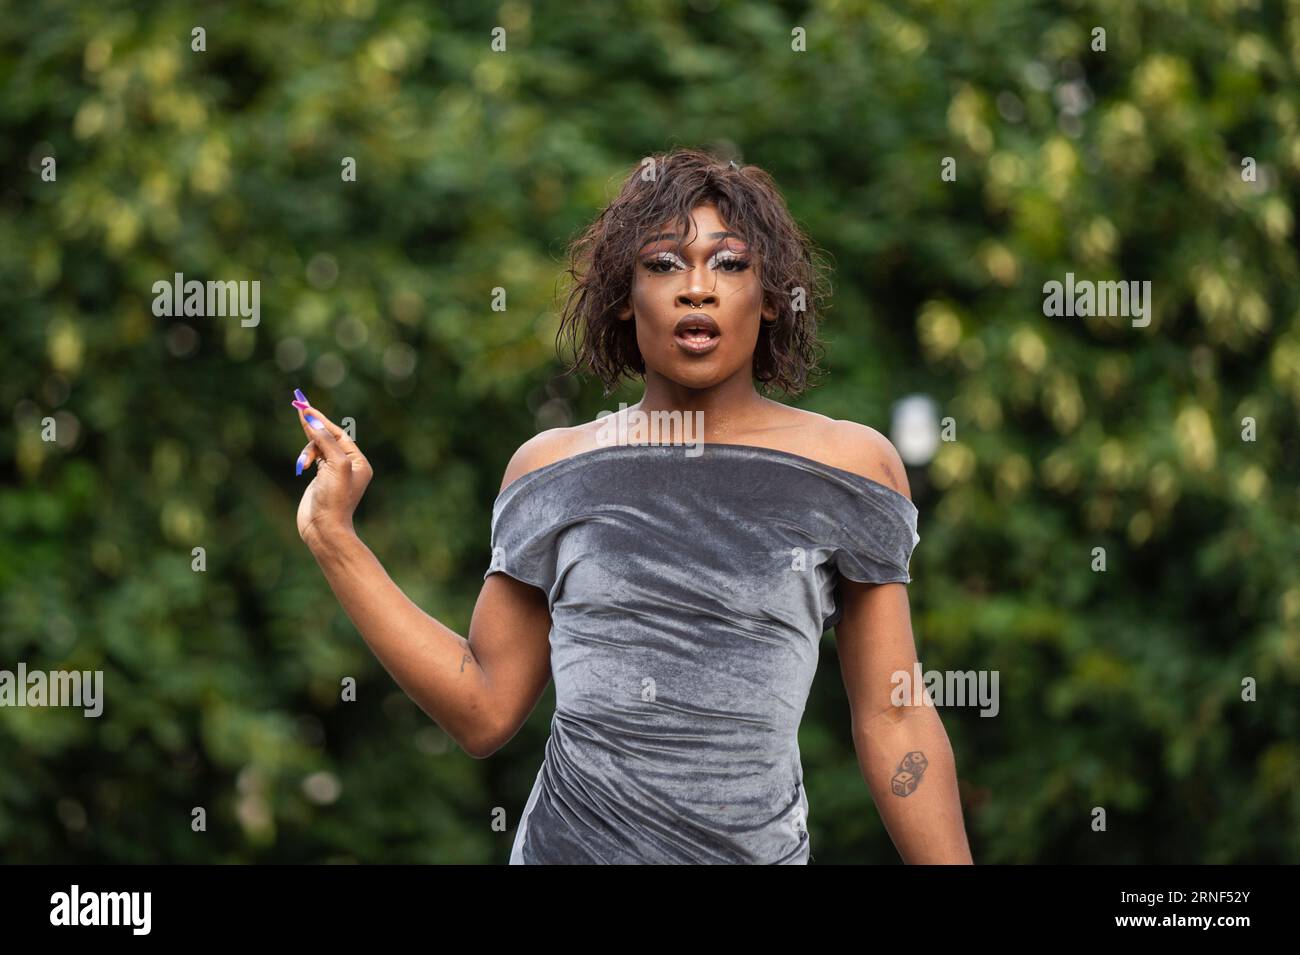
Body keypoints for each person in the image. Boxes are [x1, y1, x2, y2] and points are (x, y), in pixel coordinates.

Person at [289, 148, 973, 864]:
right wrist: (334, 536)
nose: (698, 288)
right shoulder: (554, 469)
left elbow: (895, 716)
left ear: (771, 296)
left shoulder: (848, 467)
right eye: (665, 263)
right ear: (625, 294)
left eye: (730, 263)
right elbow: (483, 709)